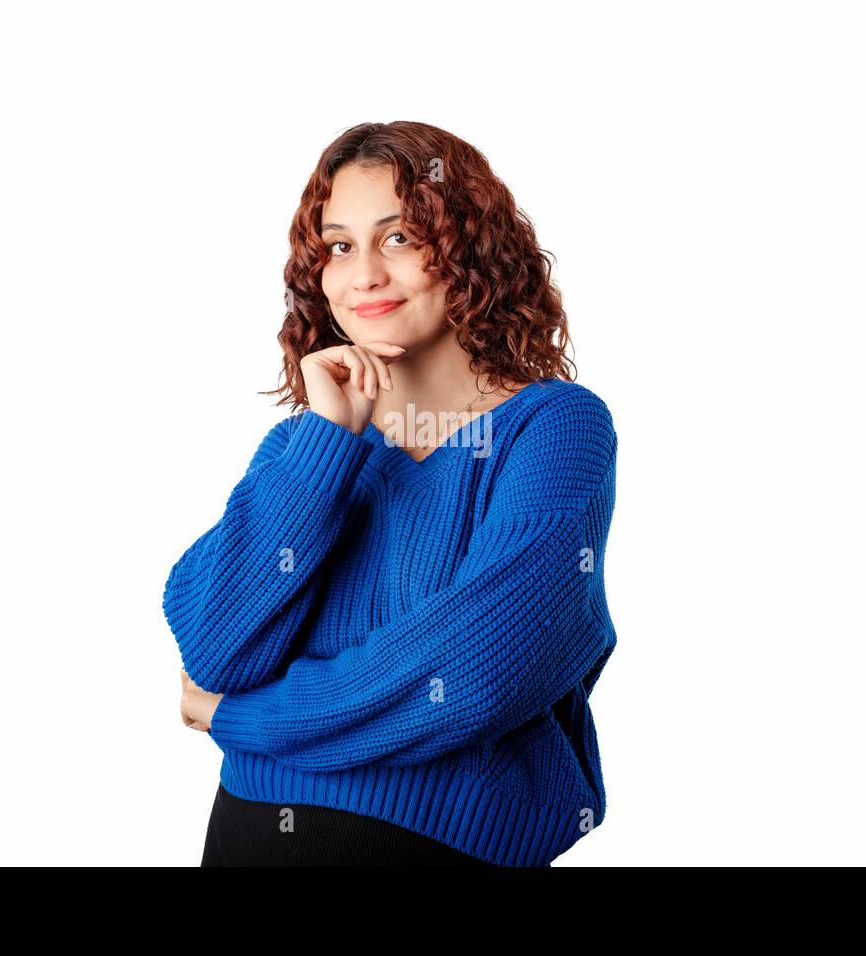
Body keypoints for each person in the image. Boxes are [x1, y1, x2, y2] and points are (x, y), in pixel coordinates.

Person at [165, 121, 618, 867]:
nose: (365, 274)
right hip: (245, 837)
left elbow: (474, 671)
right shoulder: (308, 448)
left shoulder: (553, 429)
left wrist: (245, 719)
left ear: (469, 247)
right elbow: (213, 649)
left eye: (400, 238)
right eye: (339, 246)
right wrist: (325, 446)